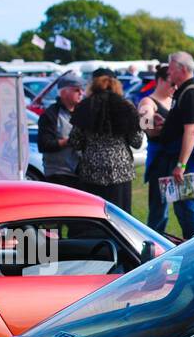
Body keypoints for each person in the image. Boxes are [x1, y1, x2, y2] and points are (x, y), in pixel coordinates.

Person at [154, 51, 194, 238]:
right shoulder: (185, 92)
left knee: (186, 208)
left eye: (171, 69)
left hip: (187, 162)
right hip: (185, 160)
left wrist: (181, 165)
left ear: (183, 69)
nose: (169, 73)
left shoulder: (191, 94)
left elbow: (191, 130)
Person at [69, 68, 142, 212]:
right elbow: (137, 141)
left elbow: (75, 141)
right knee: (121, 218)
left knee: (94, 216)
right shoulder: (127, 107)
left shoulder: (84, 106)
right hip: (121, 171)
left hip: (92, 170)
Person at [138, 63, 175, 233]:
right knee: (159, 209)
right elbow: (147, 130)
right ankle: (153, 241)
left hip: (175, 160)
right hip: (159, 161)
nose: (175, 86)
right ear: (160, 80)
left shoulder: (173, 100)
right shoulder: (147, 101)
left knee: (182, 207)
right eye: (171, 82)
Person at [36, 72, 83, 188]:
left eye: (82, 90)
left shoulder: (82, 112)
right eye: (77, 90)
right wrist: (69, 141)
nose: (81, 93)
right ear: (64, 92)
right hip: (59, 174)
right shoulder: (50, 114)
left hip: (80, 173)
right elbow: (44, 144)